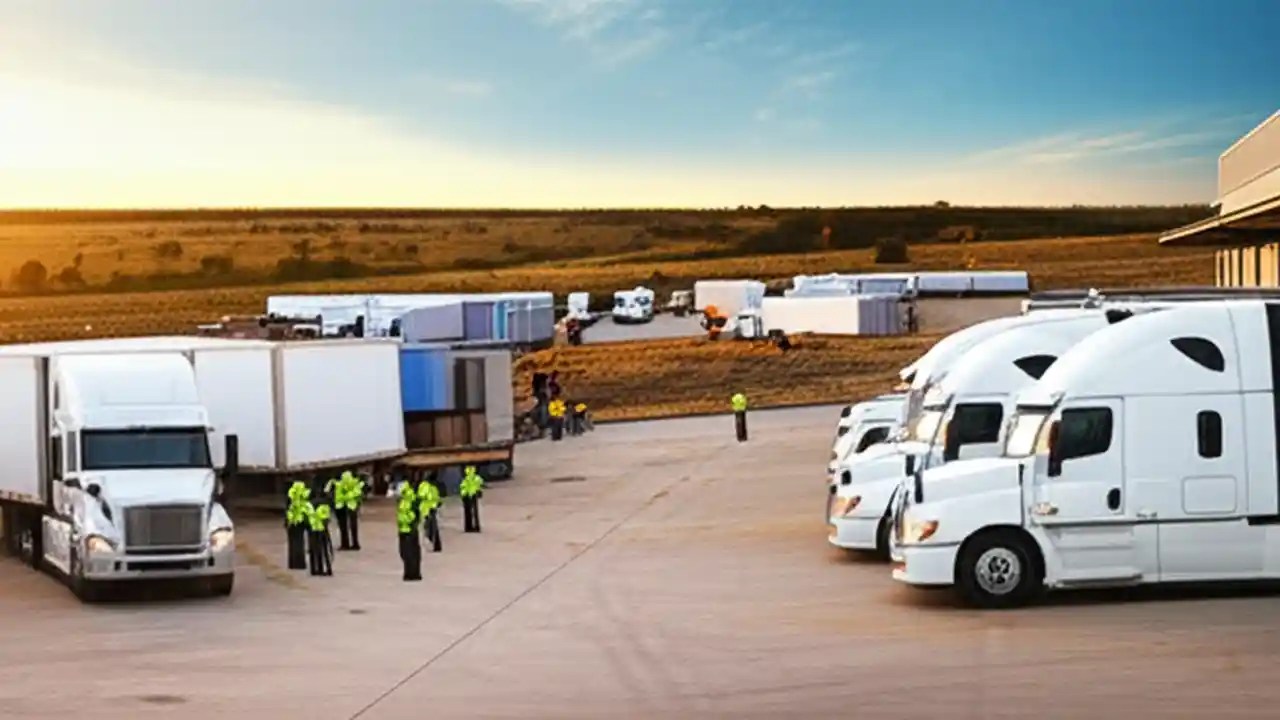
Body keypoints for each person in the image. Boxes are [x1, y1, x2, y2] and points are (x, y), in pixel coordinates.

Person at [396, 482, 421, 581]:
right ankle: (411, 572)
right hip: (404, 529)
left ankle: (412, 573)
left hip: (408, 529)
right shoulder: (405, 500)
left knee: (409, 552)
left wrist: (410, 522)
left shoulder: (410, 500)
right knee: (407, 552)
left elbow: (414, 514)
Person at [333, 470, 364, 551]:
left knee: (346, 525)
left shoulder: (341, 484)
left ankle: (347, 543)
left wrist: (344, 497)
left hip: (346, 504)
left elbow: (339, 495)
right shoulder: (353, 482)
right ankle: (353, 543)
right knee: (351, 525)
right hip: (350, 504)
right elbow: (357, 492)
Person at [284, 481, 310, 570]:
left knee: (293, 543)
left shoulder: (291, 494)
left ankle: (293, 563)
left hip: (293, 520)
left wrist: (286, 521)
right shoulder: (305, 494)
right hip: (301, 519)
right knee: (300, 542)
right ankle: (300, 562)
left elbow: (288, 508)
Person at [417, 473, 443, 553]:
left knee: (432, 527)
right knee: (429, 527)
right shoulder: (425, 486)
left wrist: (438, 502)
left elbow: (436, 497)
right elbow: (422, 496)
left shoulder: (433, 487)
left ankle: (435, 543)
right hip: (427, 509)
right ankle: (433, 542)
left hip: (431, 509)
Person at [306, 501, 333, 576]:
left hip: (312, 528)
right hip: (321, 528)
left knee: (313, 548)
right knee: (324, 549)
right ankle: (326, 568)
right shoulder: (324, 504)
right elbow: (326, 519)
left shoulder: (309, 504)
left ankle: (314, 569)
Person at [460, 465, 485, 533]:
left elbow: (463, 486)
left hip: (468, 494)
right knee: (474, 511)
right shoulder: (476, 477)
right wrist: (479, 491)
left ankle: (469, 527)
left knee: (469, 511)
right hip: (472, 494)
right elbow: (479, 484)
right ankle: (475, 526)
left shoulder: (465, 478)